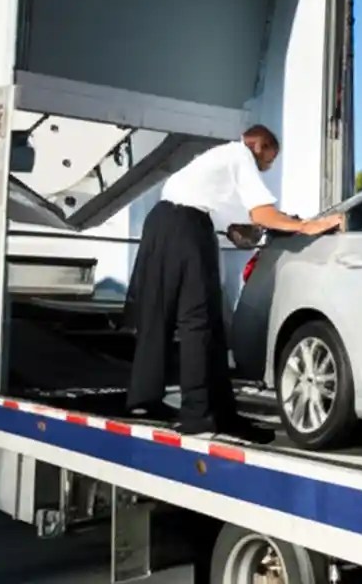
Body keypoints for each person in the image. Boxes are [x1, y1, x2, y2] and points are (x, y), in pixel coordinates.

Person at [124, 124, 343, 441]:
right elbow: (263, 214)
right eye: (269, 157)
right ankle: (200, 415)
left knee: (158, 313)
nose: (268, 166)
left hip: (162, 224)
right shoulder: (240, 155)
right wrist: (309, 226)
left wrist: (255, 228)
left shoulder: (215, 162)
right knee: (200, 322)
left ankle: (146, 401)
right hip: (186, 227)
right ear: (259, 145)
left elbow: (240, 225)